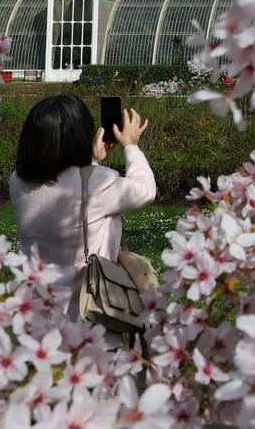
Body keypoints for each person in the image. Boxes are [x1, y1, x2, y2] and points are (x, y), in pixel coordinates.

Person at [9, 94, 156, 324]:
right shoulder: (98, 183)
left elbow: (68, 185)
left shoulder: (17, 181)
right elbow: (145, 190)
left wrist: (92, 163)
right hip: (88, 315)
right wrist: (131, 146)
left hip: (36, 313)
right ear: (81, 137)